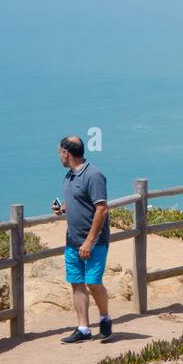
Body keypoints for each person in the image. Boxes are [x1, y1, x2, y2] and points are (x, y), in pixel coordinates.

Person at [53, 135, 112, 342]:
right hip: (72, 241)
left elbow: (102, 209)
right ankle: (83, 329)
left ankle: (105, 319)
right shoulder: (69, 176)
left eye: (59, 152)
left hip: (94, 242)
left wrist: (89, 241)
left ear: (66, 153)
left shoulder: (94, 175)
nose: (59, 156)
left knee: (93, 282)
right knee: (77, 283)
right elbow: (78, 200)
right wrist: (63, 208)